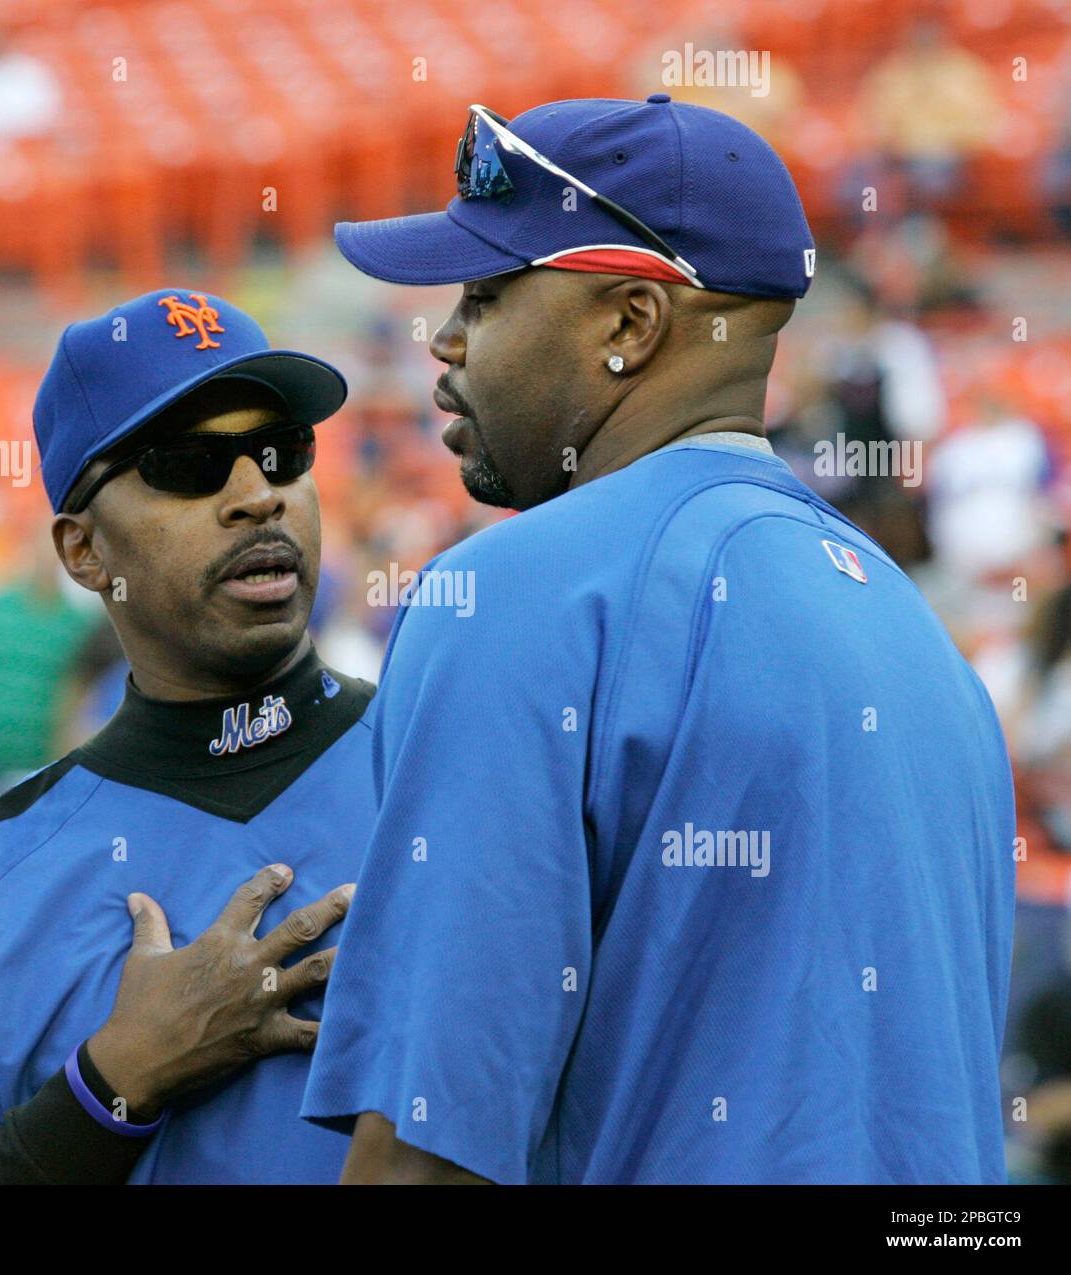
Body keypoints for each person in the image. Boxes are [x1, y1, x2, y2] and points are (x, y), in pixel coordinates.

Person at [300, 97, 1016, 1184]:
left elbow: (424, 1155)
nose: (442, 340)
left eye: (486, 295)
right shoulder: (920, 636)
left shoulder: (511, 593)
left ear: (630, 324)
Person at [0, 290, 374, 1184]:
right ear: (83, 552)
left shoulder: (471, 765)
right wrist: (112, 1086)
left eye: (279, 453)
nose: (256, 495)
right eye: (190, 464)